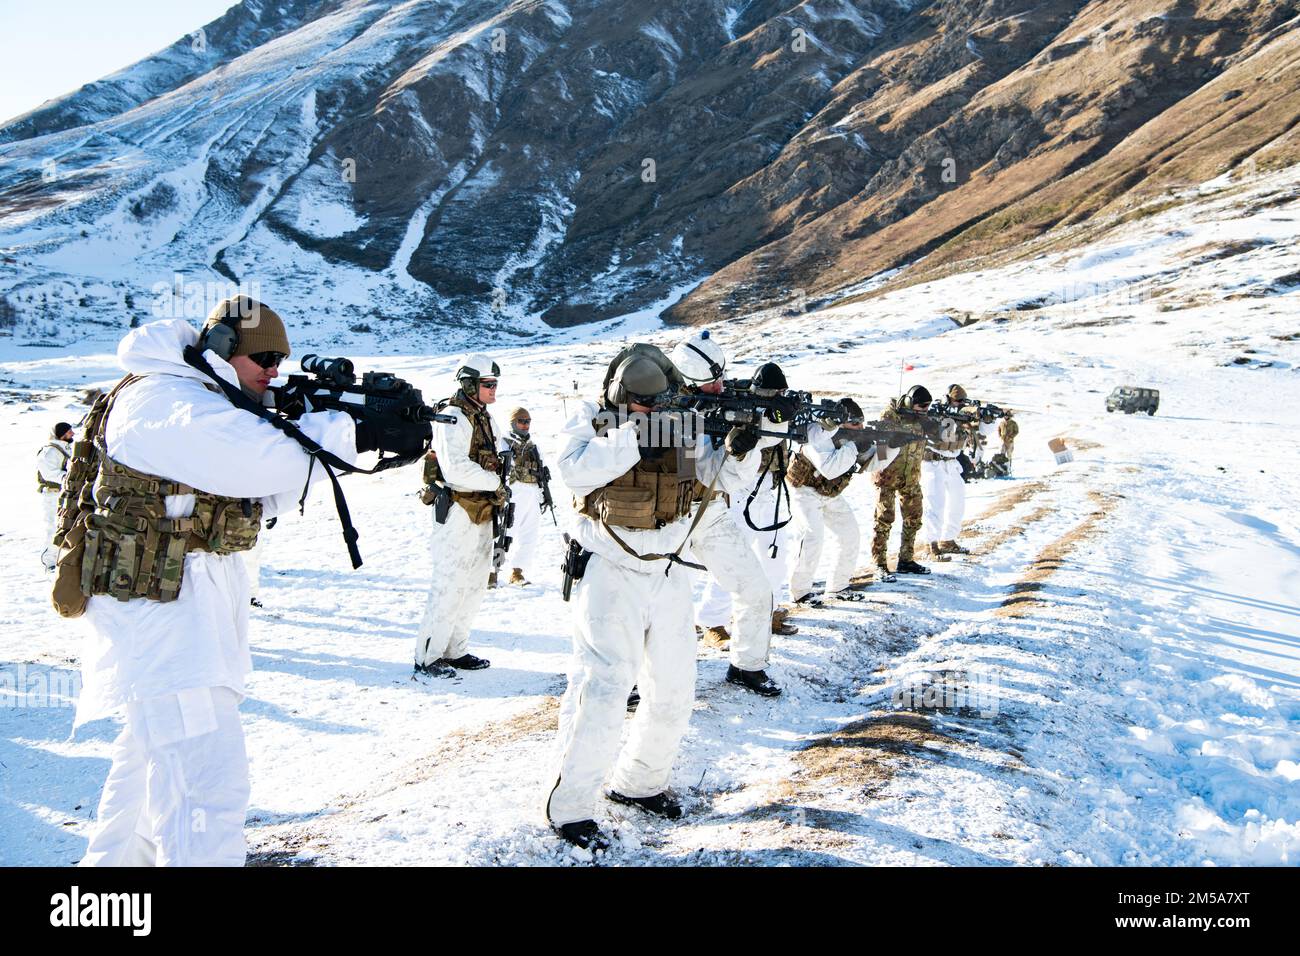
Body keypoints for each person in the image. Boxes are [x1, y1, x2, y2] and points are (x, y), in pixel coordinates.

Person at [74, 297, 360, 866]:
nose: (274, 370)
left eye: (281, 358)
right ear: (225, 350)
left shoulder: (198, 396)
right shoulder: (163, 399)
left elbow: (270, 493)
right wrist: (339, 427)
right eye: (265, 357)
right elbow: (269, 465)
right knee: (205, 786)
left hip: (183, 607)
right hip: (164, 617)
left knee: (147, 772)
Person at [546, 344, 750, 852]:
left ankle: (641, 783)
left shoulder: (680, 420)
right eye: (642, 405)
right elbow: (572, 472)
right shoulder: (589, 419)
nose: (652, 413)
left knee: (676, 686)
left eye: (657, 404)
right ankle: (570, 808)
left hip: (667, 568)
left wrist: (741, 448)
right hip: (609, 569)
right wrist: (633, 435)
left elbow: (722, 481)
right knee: (603, 688)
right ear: (619, 397)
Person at [672, 333, 783, 698]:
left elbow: (727, 477)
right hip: (664, 517)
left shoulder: (715, 406)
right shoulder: (666, 414)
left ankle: (747, 666)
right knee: (657, 604)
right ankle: (637, 681)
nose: (720, 387)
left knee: (755, 589)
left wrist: (744, 447)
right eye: (711, 382)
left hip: (709, 511)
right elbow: (694, 469)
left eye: (720, 377)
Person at [414, 354, 508, 677]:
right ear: (470, 383)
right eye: (488, 384)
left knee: (475, 582)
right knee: (450, 582)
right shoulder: (452, 416)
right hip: (457, 510)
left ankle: (455, 650)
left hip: (482, 511)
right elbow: (455, 469)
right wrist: (494, 482)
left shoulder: (484, 416)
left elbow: (499, 451)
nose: (494, 389)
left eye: (495, 383)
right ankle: (428, 657)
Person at [787, 398, 897, 603]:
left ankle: (838, 588)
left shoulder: (850, 438)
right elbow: (830, 469)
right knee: (812, 537)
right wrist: (854, 446)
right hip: (805, 492)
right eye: (855, 424)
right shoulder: (817, 434)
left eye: (862, 423)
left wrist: (889, 446)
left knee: (850, 536)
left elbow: (873, 464)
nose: (860, 428)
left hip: (830, 494)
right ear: (840, 422)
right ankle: (800, 593)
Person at [872, 386, 931, 580]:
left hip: (911, 477)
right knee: (883, 521)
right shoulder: (891, 415)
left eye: (928, 406)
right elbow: (880, 446)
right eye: (922, 405)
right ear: (908, 403)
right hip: (887, 477)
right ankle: (879, 564)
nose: (925, 409)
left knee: (914, 519)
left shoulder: (923, 420)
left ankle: (906, 560)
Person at [921, 384, 974, 560]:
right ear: (948, 399)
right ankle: (932, 544)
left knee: (957, 501)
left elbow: (982, 431)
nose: (959, 404)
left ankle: (948, 540)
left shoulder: (961, 415)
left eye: (961, 402)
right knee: (935, 503)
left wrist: (985, 419)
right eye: (956, 401)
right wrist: (947, 419)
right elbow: (940, 434)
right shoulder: (936, 411)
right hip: (933, 463)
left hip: (951, 463)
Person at [502, 406, 545, 585]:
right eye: (521, 421)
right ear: (513, 422)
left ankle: (517, 572)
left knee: (529, 535)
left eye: (528, 421)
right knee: (505, 534)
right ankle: (491, 571)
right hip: (513, 494)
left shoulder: (533, 446)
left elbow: (541, 472)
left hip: (532, 495)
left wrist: (543, 496)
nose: (525, 425)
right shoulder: (504, 442)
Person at [37, 421, 74, 570]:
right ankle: (49, 562)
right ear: (61, 434)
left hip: (62, 494)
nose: (72, 434)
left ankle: (59, 559)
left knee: (64, 525)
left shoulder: (63, 448)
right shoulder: (50, 451)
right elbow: (49, 473)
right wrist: (66, 478)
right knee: (53, 527)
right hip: (52, 495)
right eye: (69, 431)